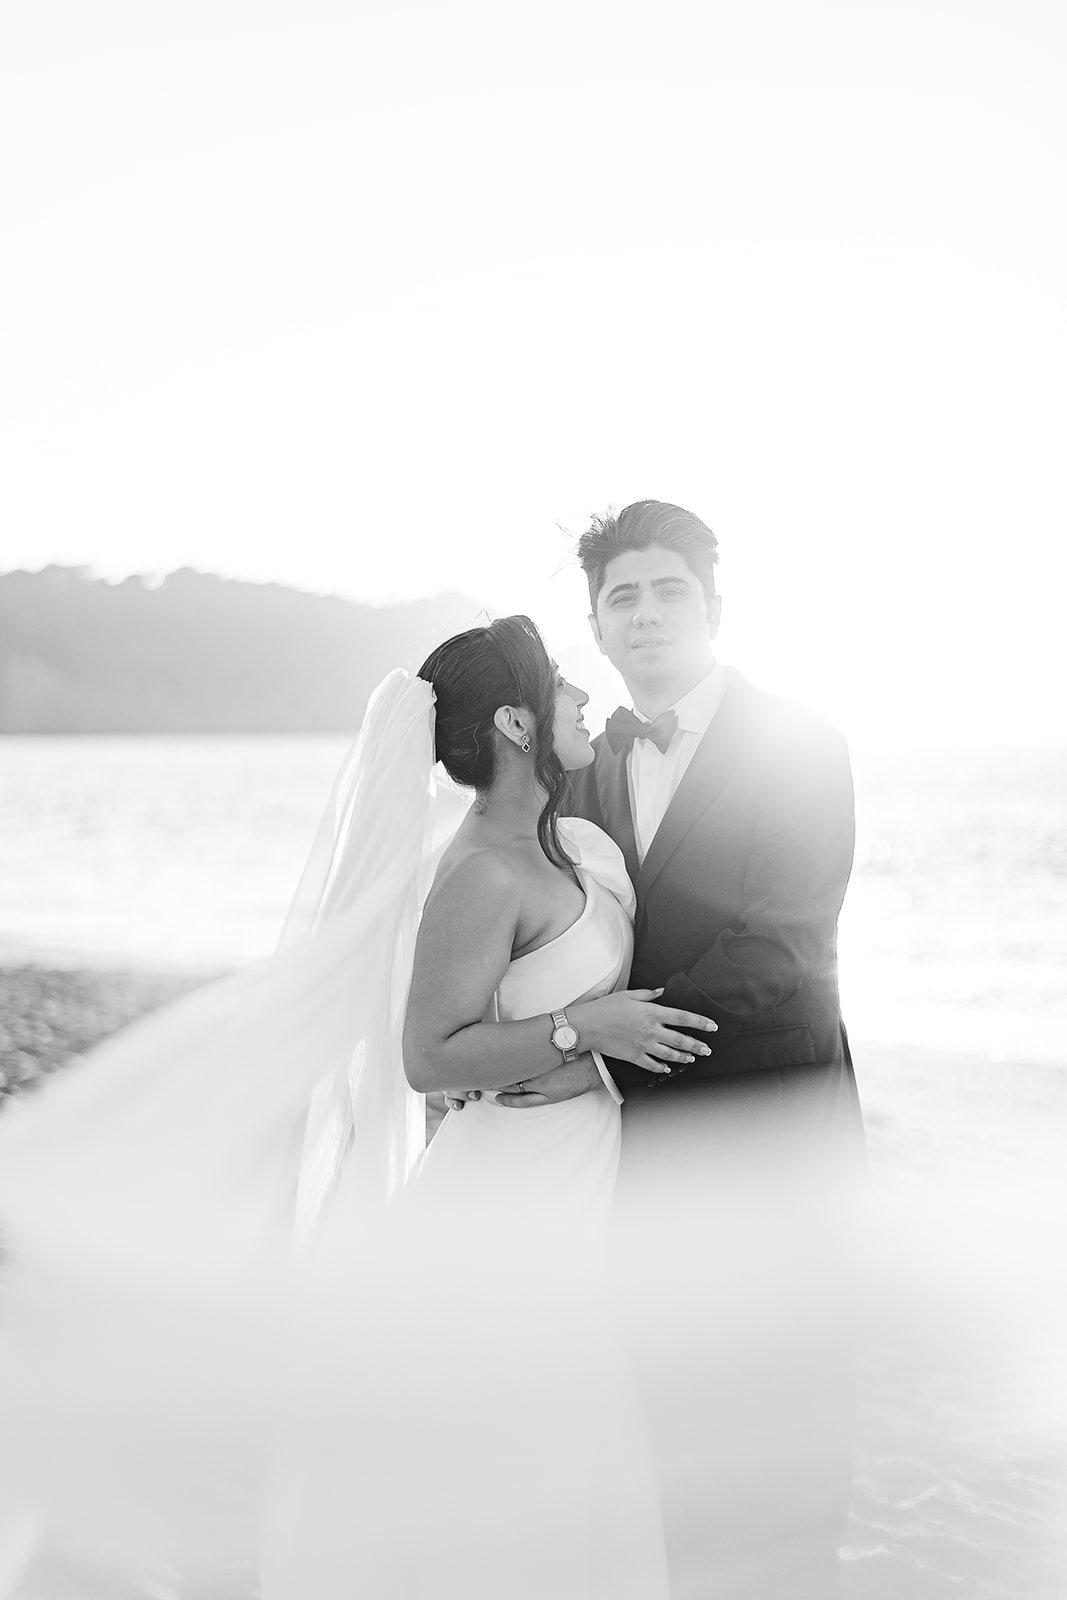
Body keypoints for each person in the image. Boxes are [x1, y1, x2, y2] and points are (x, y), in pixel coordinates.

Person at [0, 613, 711, 1600]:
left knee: (578, 1440)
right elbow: (427, 1054)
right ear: (512, 722)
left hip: (578, 1160)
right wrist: (580, 1032)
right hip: (509, 1189)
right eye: (559, 684)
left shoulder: (571, 843)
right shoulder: (476, 876)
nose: (582, 696)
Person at [452, 505, 865, 1599]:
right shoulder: (573, 777)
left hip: (769, 1147)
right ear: (594, 624)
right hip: (618, 1179)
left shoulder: (801, 743)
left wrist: (594, 1044)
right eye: (619, 598)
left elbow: (782, 947)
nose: (643, 616)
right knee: (651, 1471)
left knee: (781, 1464)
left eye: (666, 590)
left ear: (715, 606)